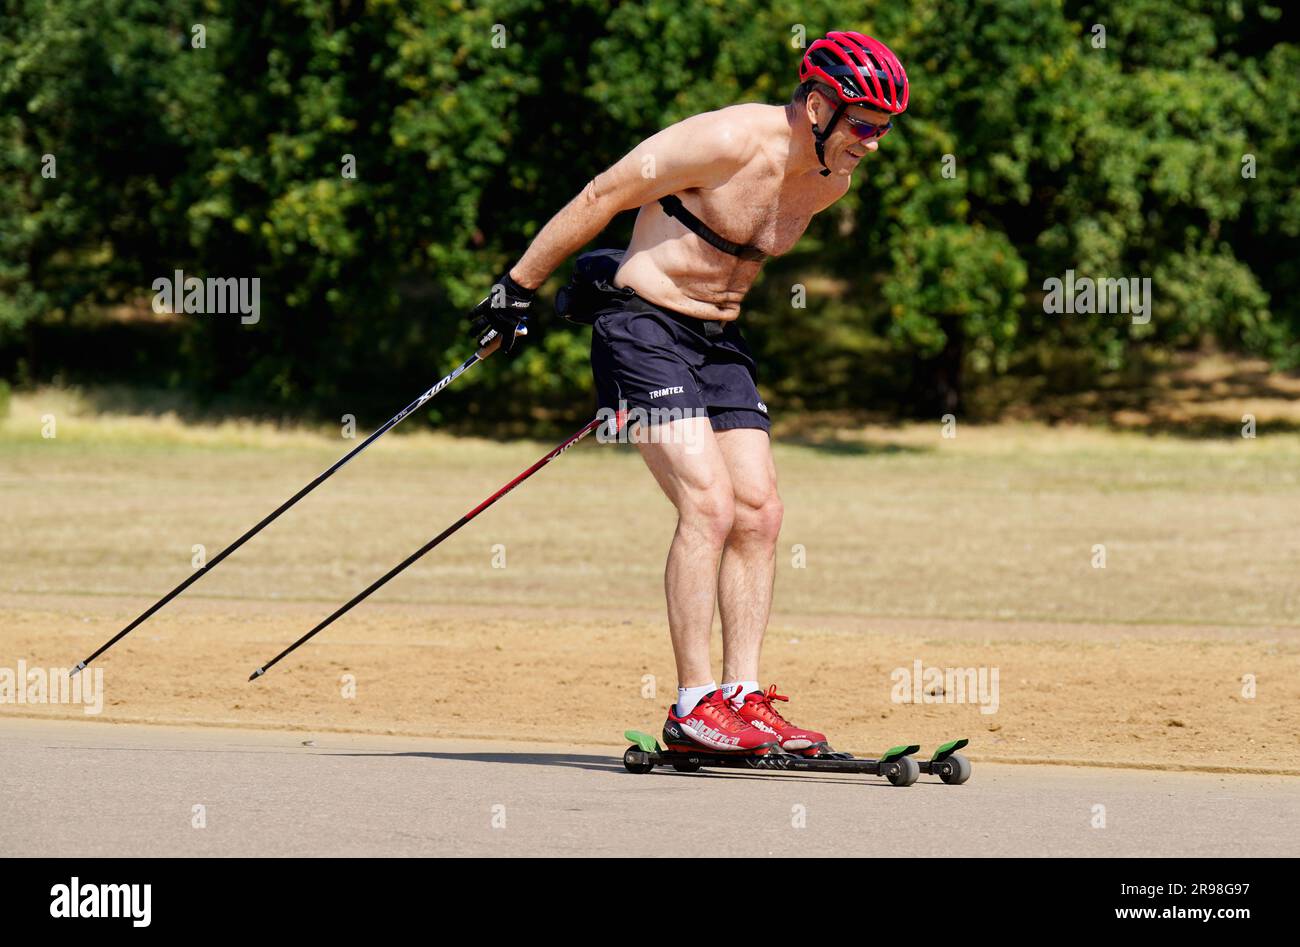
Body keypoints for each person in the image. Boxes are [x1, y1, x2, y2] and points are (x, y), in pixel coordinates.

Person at [469, 32, 909, 756]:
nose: (875, 142)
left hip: (719, 342)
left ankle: (743, 698)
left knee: (760, 512)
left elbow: (730, 256)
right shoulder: (726, 138)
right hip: (641, 327)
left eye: (886, 129)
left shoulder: (831, 182)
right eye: (865, 123)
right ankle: (694, 706)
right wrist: (517, 288)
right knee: (708, 502)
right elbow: (606, 192)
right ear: (821, 105)